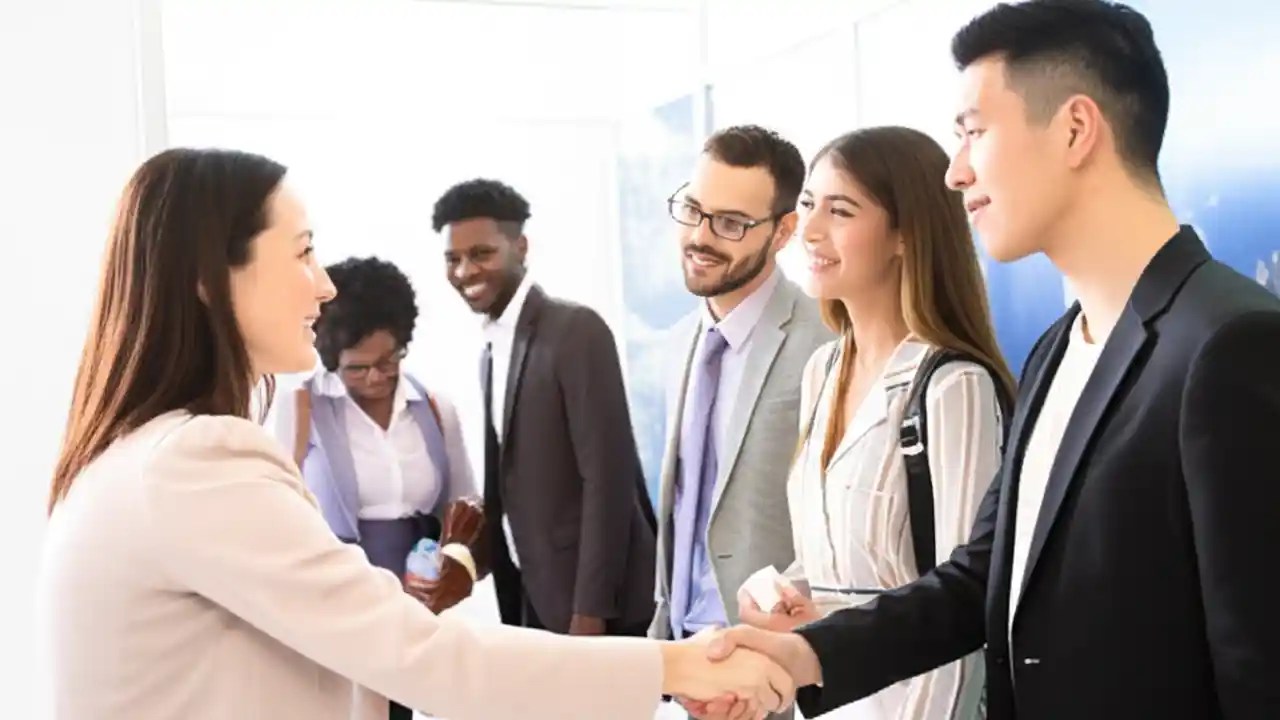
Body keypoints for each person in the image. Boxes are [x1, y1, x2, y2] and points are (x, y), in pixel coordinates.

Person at [35, 147, 796, 720]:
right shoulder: (197, 462)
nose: (324, 284)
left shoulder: (145, 455)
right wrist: (679, 667)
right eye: (302, 251)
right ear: (211, 278)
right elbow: (425, 656)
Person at [692, 2, 1280, 718]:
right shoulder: (1057, 351)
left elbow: (1260, 666)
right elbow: (979, 580)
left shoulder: (1230, 344)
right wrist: (811, 653)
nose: (955, 173)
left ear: (1074, 129)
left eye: (974, 132)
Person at [727, 126, 1014, 720]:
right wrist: (786, 593)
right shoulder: (823, 371)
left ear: (905, 234)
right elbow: (840, 563)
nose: (808, 230)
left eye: (841, 210)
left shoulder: (953, 384)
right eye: (808, 204)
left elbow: (961, 610)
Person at [434, 178, 657, 636]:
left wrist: (591, 612)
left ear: (520, 246)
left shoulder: (575, 330)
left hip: (591, 609)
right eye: (452, 259)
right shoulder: (492, 349)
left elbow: (609, 480)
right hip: (533, 601)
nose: (464, 272)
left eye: (481, 254)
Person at [273, 255, 482, 720]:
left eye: (388, 361)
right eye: (356, 367)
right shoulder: (302, 408)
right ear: (331, 359)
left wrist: (455, 565)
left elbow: (465, 508)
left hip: (414, 608)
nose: (374, 378)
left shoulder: (434, 408)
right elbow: (274, 517)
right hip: (336, 607)